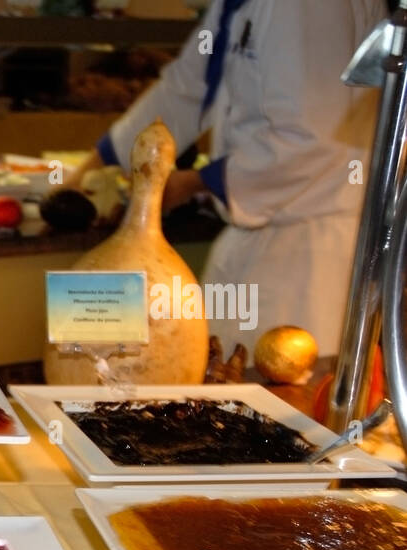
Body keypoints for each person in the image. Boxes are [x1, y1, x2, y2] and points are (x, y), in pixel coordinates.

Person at [63, 0, 386, 356]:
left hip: (305, 259)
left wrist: (191, 183)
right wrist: (94, 167)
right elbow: (187, 86)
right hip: (253, 240)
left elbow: (308, 137)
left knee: (279, 399)